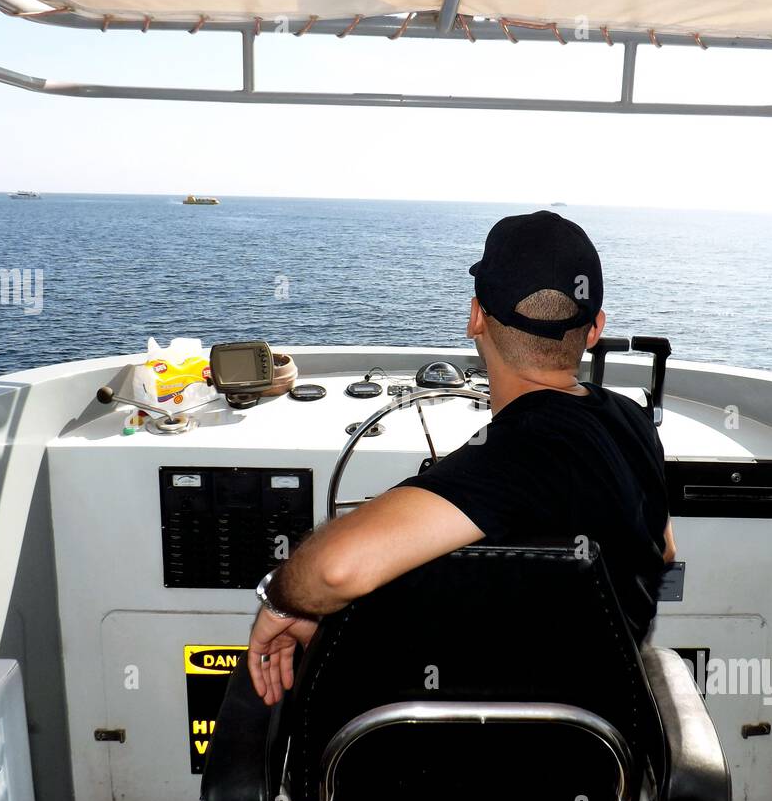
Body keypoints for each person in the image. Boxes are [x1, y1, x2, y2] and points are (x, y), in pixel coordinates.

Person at [247, 210, 674, 704]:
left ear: (475, 318)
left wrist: (280, 596)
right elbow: (663, 551)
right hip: (601, 728)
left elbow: (335, 571)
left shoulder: (510, 456)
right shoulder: (633, 422)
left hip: (444, 734)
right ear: (595, 329)